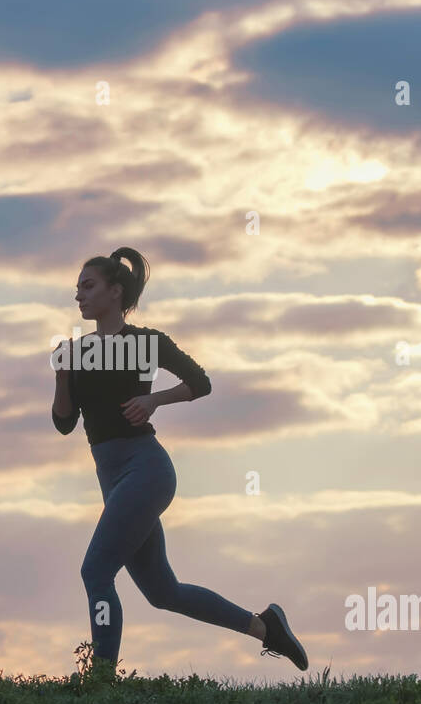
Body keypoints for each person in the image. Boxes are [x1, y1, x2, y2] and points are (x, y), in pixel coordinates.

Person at [50, 246, 308, 677]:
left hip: (146, 470)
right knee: (163, 592)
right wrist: (61, 374)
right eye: (77, 287)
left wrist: (154, 399)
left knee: (95, 571)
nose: (79, 295)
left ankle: (101, 680)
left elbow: (199, 382)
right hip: (113, 479)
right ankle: (268, 629)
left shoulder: (146, 341)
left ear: (115, 292)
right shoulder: (76, 354)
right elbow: (63, 423)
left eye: (88, 285)